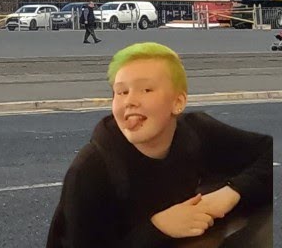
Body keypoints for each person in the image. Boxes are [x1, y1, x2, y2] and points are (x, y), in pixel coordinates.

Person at [46, 42, 272, 247]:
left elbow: (267, 152)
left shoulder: (196, 132)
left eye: (146, 89)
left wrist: (231, 192)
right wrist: (158, 228)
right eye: (121, 92)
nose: (130, 101)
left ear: (178, 102)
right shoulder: (90, 170)